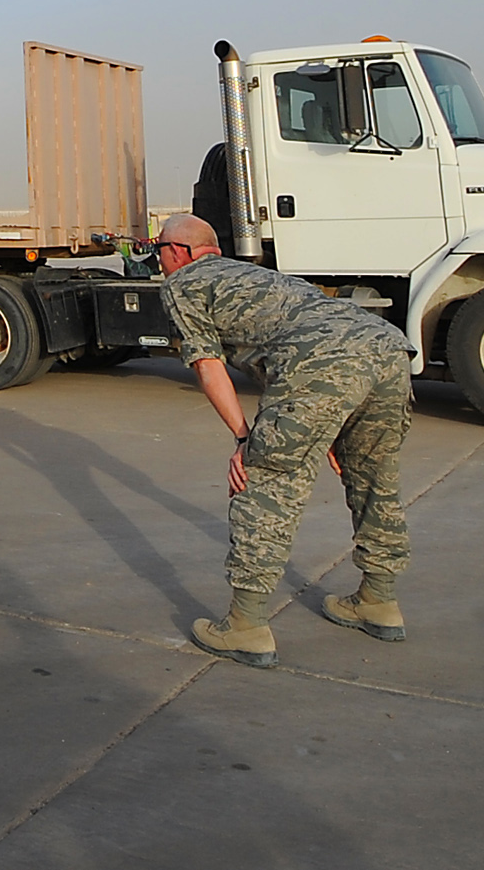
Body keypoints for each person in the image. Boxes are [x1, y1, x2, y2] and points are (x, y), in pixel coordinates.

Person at [153, 213, 412, 668]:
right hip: (387, 350)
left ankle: (246, 627)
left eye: (158, 249)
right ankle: (379, 600)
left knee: (266, 484)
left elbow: (207, 363)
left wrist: (242, 438)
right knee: (375, 477)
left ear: (179, 251)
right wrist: (328, 427)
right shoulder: (255, 275)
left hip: (323, 363)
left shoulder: (182, 283)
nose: (158, 258)